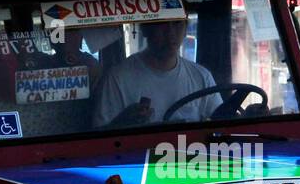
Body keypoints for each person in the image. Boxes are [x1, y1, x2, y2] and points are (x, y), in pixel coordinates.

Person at [92, 20, 221, 127]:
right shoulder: (118, 77)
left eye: (177, 24)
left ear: (185, 28)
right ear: (145, 29)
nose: (170, 33)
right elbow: (99, 136)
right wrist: (123, 121)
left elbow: (222, 121)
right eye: (162, 24)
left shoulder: (202, 77)